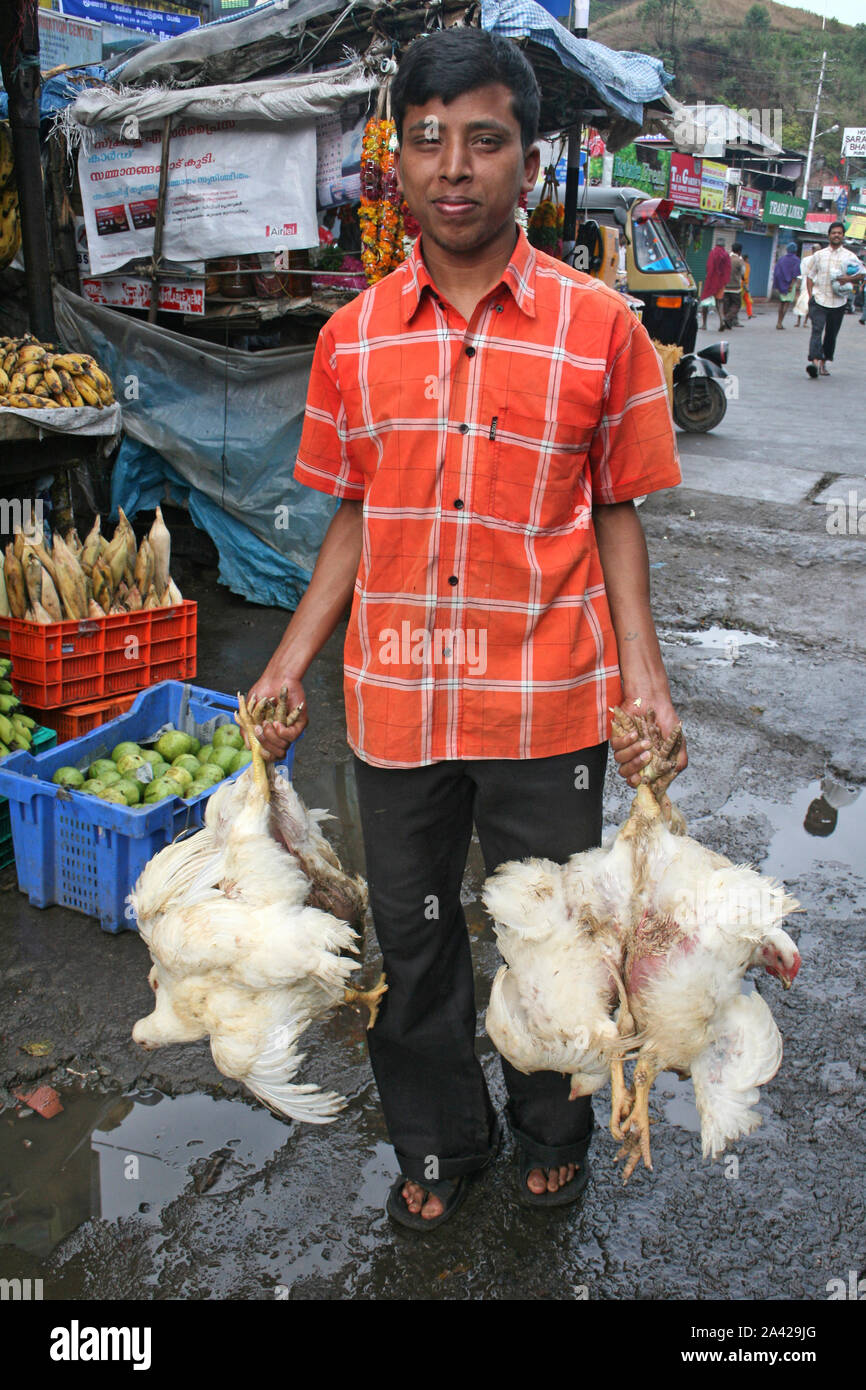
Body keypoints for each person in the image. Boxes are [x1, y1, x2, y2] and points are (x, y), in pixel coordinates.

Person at [248, 28, 686, 1225]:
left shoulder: (601, 329)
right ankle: (440, 1143)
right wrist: (288, 662)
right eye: (426, 140)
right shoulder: (352, 338)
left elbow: (615, 514)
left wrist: (642, 680)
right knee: (418, 941)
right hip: (394, 702)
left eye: (482, 140)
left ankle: (552, 1127)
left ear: (528, 163)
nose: (453, 167)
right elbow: (352, 518)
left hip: (545, 699)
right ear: (396, 160)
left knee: (552, 936)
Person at [805, 221, 866, 377]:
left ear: (843, 236)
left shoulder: (850, 256)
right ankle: (814, 362)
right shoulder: (819, 255)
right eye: (834, 233)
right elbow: (810, 276)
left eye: (839, 233)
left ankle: (824, 363)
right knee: (817, 330)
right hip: (819, 299)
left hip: (838, 302)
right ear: (829, 235)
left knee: (831, 334)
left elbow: (861, 273)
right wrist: (810, 295)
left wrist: (848, 278)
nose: (837, 235)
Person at [702, 241, 731, 331]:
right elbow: (728, 268)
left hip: (711, 281)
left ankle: (704, 324)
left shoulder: (713, 253)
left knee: (705, 303)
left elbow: (709, 266)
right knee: (719, 303)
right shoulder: (726, 255)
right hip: (721, 283)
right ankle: (722, 320)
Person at [773, 241, 800, 329]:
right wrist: (792, 285)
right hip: (790, 284)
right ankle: (780, 323)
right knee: (787, 303)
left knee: (781, 302)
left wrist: (778, 284)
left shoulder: (781, 259)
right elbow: (795, 274)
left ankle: (778, 321)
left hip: (781, 284)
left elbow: (776, 272)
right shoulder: (796, 260)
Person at [722, 241, 745, 327]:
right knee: (736, 304)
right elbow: (743, 272)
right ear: (739, 251)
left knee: (727, 305)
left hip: (725, 286)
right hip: (735, 287)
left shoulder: (726, 258)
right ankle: (727, 318)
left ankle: (728, 323)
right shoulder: (739, 260)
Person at [741, 252, 753, 319]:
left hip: (741, 285)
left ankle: (750, 314)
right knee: (748, 300)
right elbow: (745, 276)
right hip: (744, 285)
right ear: (746, 259)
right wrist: (746, 285)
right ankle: (749, 314)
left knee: (746, 300)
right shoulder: (747, 265)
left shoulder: (741, 264)